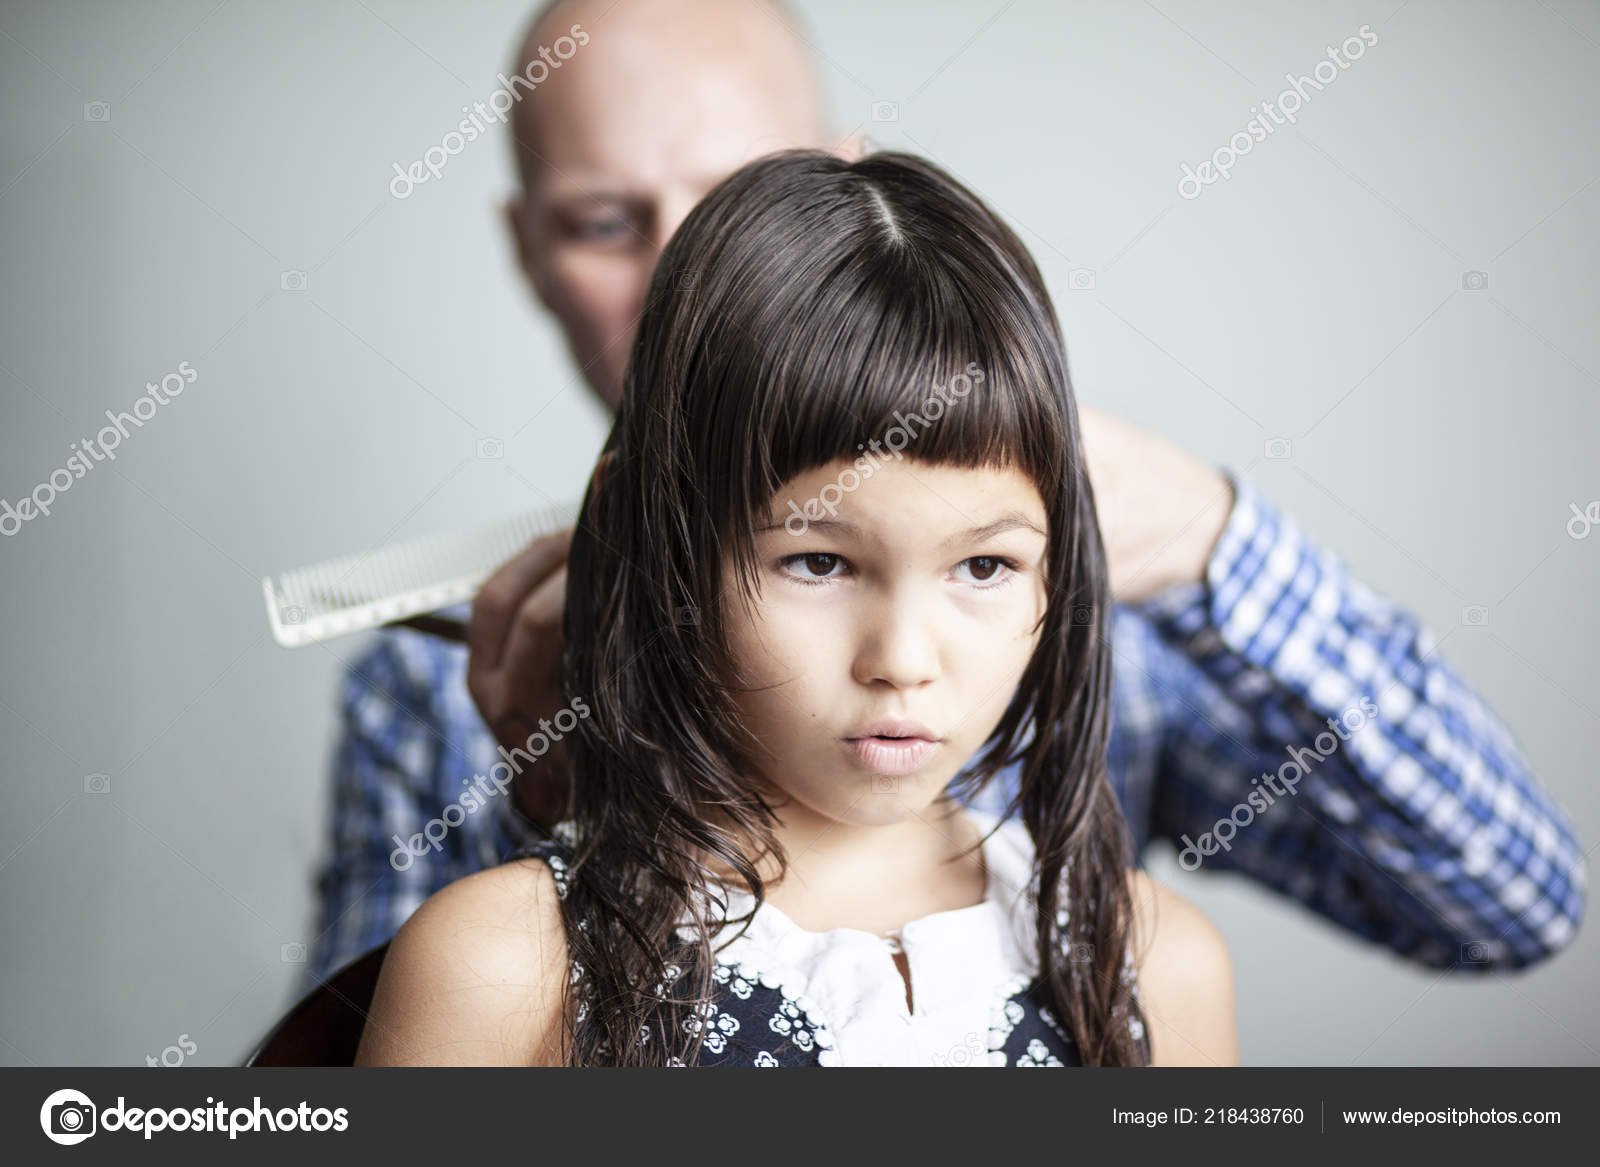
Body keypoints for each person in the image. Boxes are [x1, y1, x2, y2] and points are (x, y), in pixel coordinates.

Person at [308, 0, 1584, 989]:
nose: (686, 263)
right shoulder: (431, 680)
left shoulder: (1119, 633)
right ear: (529, 247)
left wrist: (1211, 538)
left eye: (742, 194)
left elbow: (1509, 909)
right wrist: (587, 829)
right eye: (603, 222)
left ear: (844, 194)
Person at [356, 148, 1238, 1066]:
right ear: (665, 553)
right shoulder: (504, 969)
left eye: (984, 566)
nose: (902, 658)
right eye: (818, 561)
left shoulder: (1153, 963)